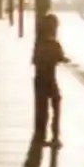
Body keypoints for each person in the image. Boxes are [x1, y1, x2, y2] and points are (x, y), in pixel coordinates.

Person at [32, 12, 68, 147]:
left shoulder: (39, 43)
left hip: (39, 79)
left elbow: (35, 60)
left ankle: (40, 137)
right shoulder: (54, 43)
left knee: (42, 110)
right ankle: (55, 136)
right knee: (56, 105)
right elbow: (61, 57)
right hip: (50, 79)